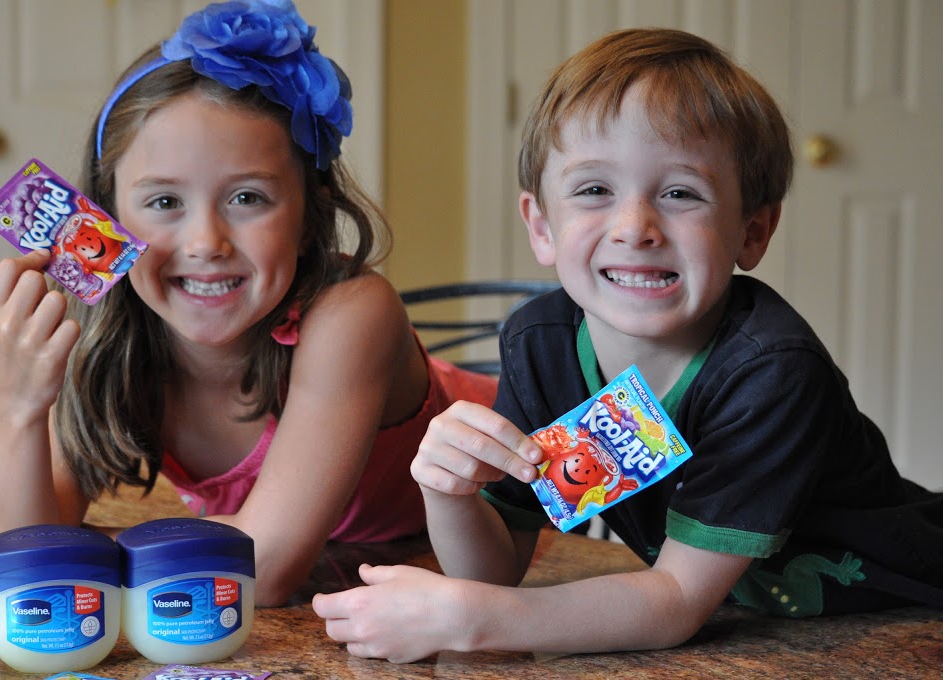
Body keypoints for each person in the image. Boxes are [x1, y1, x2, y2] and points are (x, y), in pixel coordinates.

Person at [312, 27, 943, 661]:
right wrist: (446, 490)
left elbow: (672, 601)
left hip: (899, 621)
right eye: (594, 190)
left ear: (752, 231)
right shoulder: (543, 346)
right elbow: (494, 572)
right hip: (760, 632)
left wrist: (468, 622)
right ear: (541, 225)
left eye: (680, 193)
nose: (635, 227)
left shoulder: (771, 372)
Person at [0, 0, 496, 607]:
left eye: (247, 198)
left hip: (468, 541)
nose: (205, 244)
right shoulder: (108, 333)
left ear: (311, 212)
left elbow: (259, 572)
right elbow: (18, 560)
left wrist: (94, 570)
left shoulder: (353, 314)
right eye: (164, 202)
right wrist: (14, 402)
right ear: (105, 220)